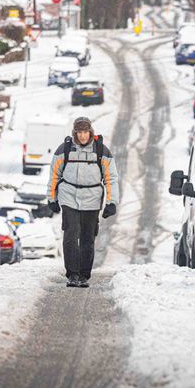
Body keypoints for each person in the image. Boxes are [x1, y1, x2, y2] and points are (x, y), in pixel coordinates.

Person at [47, 116, 119, 288]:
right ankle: (72, 274)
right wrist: (52, 198)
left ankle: (84, 275)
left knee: (87, 237)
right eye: (79, 132)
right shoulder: (64, 149)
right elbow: (54, 175)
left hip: (92, 198)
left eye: (85, 132)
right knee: (70, 235)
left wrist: (111, 202)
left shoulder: (101, 150)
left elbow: (111, 178)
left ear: (90, 132)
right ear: (75, 133)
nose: (83, 136)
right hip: (69, 196)